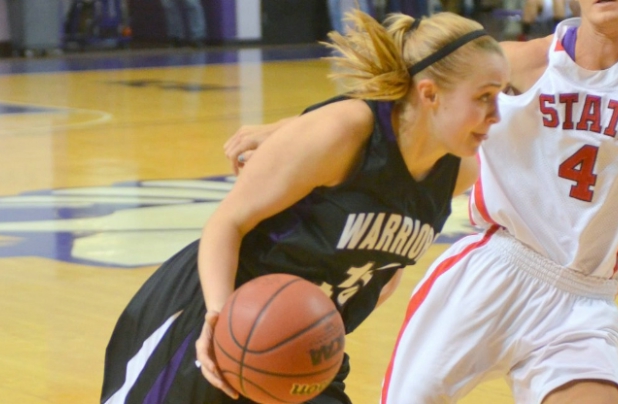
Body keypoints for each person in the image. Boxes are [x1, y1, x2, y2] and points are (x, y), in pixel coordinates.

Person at [226, 0, 618, 403]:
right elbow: (399, 103)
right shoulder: (521, 62)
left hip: (584, 300)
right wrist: (286, 129)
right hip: (495, 267)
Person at [101, 10, 508, 404]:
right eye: (484, 97)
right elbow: (226, 223)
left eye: (501, 96)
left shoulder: (459, 172)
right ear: (430, 94)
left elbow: (385, 266)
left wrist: (321, 324)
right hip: (212, 315)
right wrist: (222, 320)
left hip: (298, 347)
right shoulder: (342, 134)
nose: (497, 114)